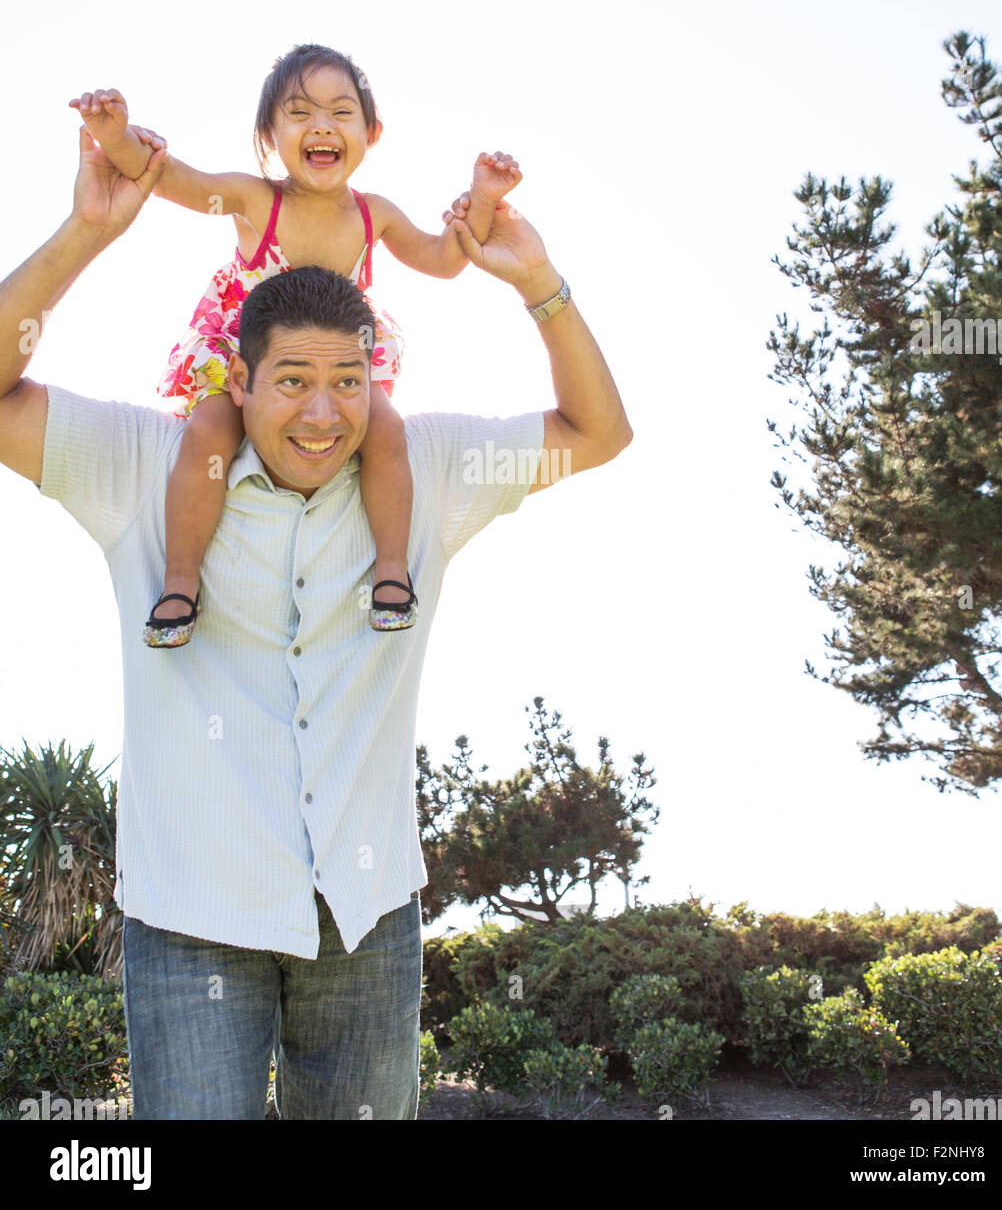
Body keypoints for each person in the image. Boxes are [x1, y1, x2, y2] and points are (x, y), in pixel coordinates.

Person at [0, 125, 632, 1120]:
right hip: (188, 921)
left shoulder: (426, 472)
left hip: (367, 922)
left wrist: (539, 281)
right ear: (237, 381)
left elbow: (599, 432)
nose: (323, 415)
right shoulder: (142, 467)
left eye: (348, 382)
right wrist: (87, 232)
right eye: (292, 381)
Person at [70, 43, 521, 643]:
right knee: (208, 435)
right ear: (270, 133)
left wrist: (484, 200)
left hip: (334, 359)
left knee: (387, 431)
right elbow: (173, 180)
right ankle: (180, 578)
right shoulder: (257, 199)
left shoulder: (374, 214)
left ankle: (392, 572)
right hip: (246, 353)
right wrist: (117, 136)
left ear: (371, 132)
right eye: (300, 112)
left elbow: (443, 260)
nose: (322, 126)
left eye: (341, 112)